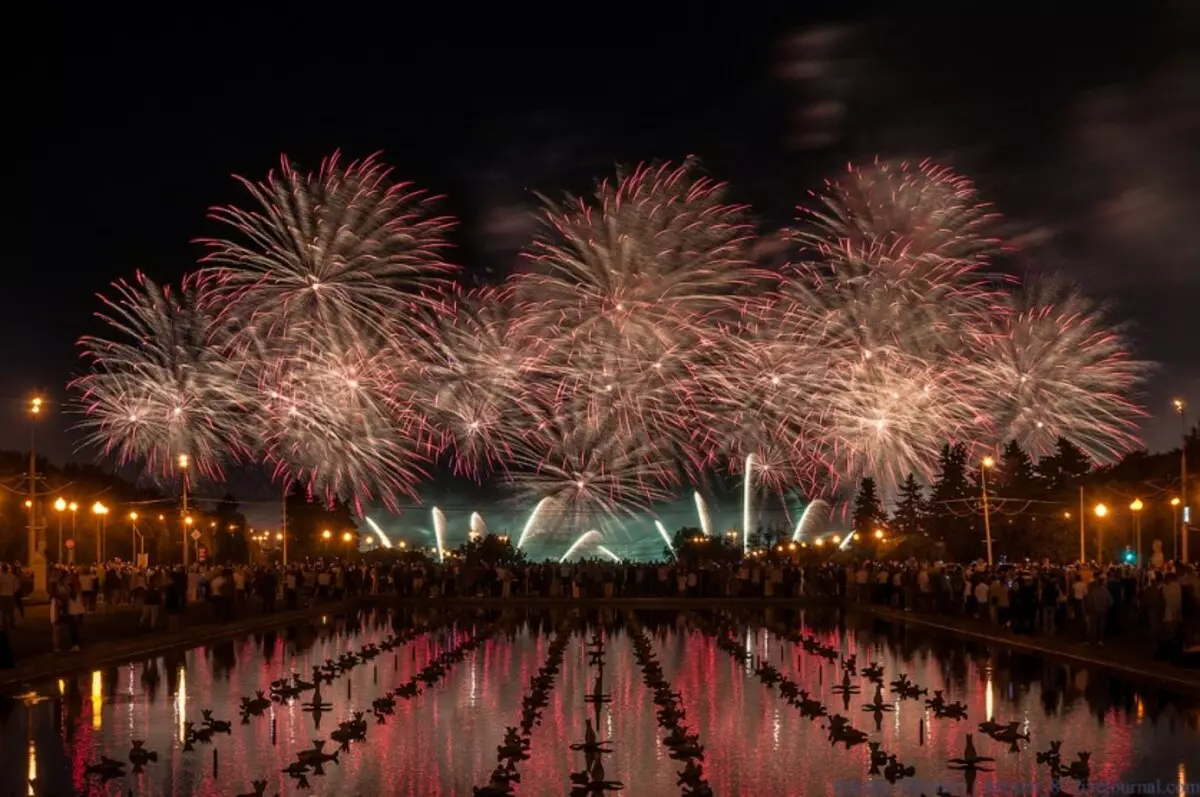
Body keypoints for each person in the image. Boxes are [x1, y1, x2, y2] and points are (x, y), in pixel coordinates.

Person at [0, 564, 17, 630]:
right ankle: (12, 624)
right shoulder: (13, 577)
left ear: (2, 570)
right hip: (11, 595)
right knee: (11, 611)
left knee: (4, 611)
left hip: (2, 595)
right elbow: (16, 588)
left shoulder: (1, 578)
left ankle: (5, 625)